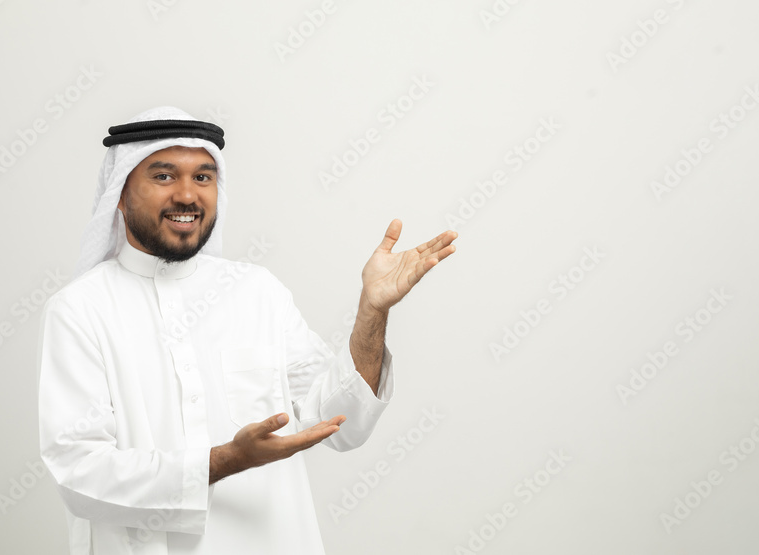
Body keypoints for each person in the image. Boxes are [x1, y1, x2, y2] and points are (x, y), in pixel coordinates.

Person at [37, 106, 457, 554]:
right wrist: (226, 461)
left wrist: (372, 312)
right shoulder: (80, 310)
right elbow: (80, 474)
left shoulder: (257, 292)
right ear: (119, 194)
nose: (187, 195)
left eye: (203, 177)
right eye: (163, 176)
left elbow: (341, 424)